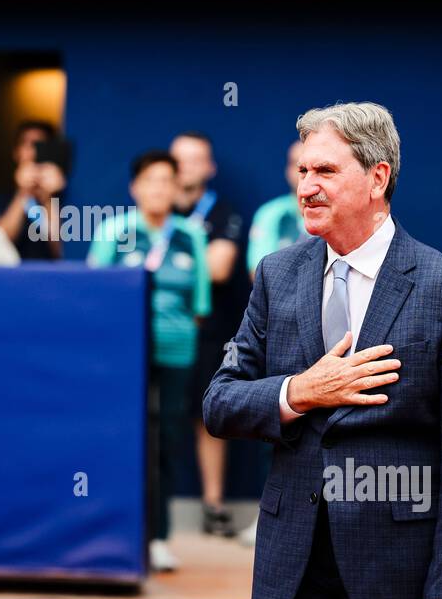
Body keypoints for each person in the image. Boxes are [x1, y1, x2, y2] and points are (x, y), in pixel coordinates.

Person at [203, 102, 442, 599]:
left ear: (378, 177)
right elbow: (219, 403)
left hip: (406, 578)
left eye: (326, 172)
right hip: (294, 574)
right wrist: (298, 391)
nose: (307, 188)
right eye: (302, 172)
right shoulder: (277, 273)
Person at [88, 152, 209, 573]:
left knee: (167, 443)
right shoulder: (113, 231)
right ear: (134, 187)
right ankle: (117, 534)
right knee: (124, 440)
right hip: (123, 358)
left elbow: (199, 304)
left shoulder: (191, 236)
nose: (158, 189)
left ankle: (158, 537)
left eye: (166, 181)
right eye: (150, 181)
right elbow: (95, 295)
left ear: (178, 189)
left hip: (177, 353)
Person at [169, 131, 247, 538]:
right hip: (157, 332)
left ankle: (213, 506)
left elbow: (219, 269)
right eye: (179, 159)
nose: (186, 167)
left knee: (208, 418)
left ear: (209, 167)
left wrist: (175, 253)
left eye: (196, 159)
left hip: (208, 332)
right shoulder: (152, 212)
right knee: (152, 417)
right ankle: (147, 506)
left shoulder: (221, 212)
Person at [236, 137, 309, 549]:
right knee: (275, 422)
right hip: (280, 337)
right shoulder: (271, 215)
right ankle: (269, 513)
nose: (306, 176)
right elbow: (258, 273)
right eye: (299, 167)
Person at [0, 120, 67, 260]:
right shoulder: (3, 198)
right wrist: (23, 193)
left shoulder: (66, 195)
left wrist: (48, 199)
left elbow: (62, 249)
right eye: (25, 144)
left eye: (38, 144)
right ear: (16, 153)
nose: (31, 151)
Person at [247, 138, 309, 276]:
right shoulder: (270, 213)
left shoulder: (337, 212)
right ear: (287, 170)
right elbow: (258, 273)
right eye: (295, 164)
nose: (301, 172)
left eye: (308, 166)